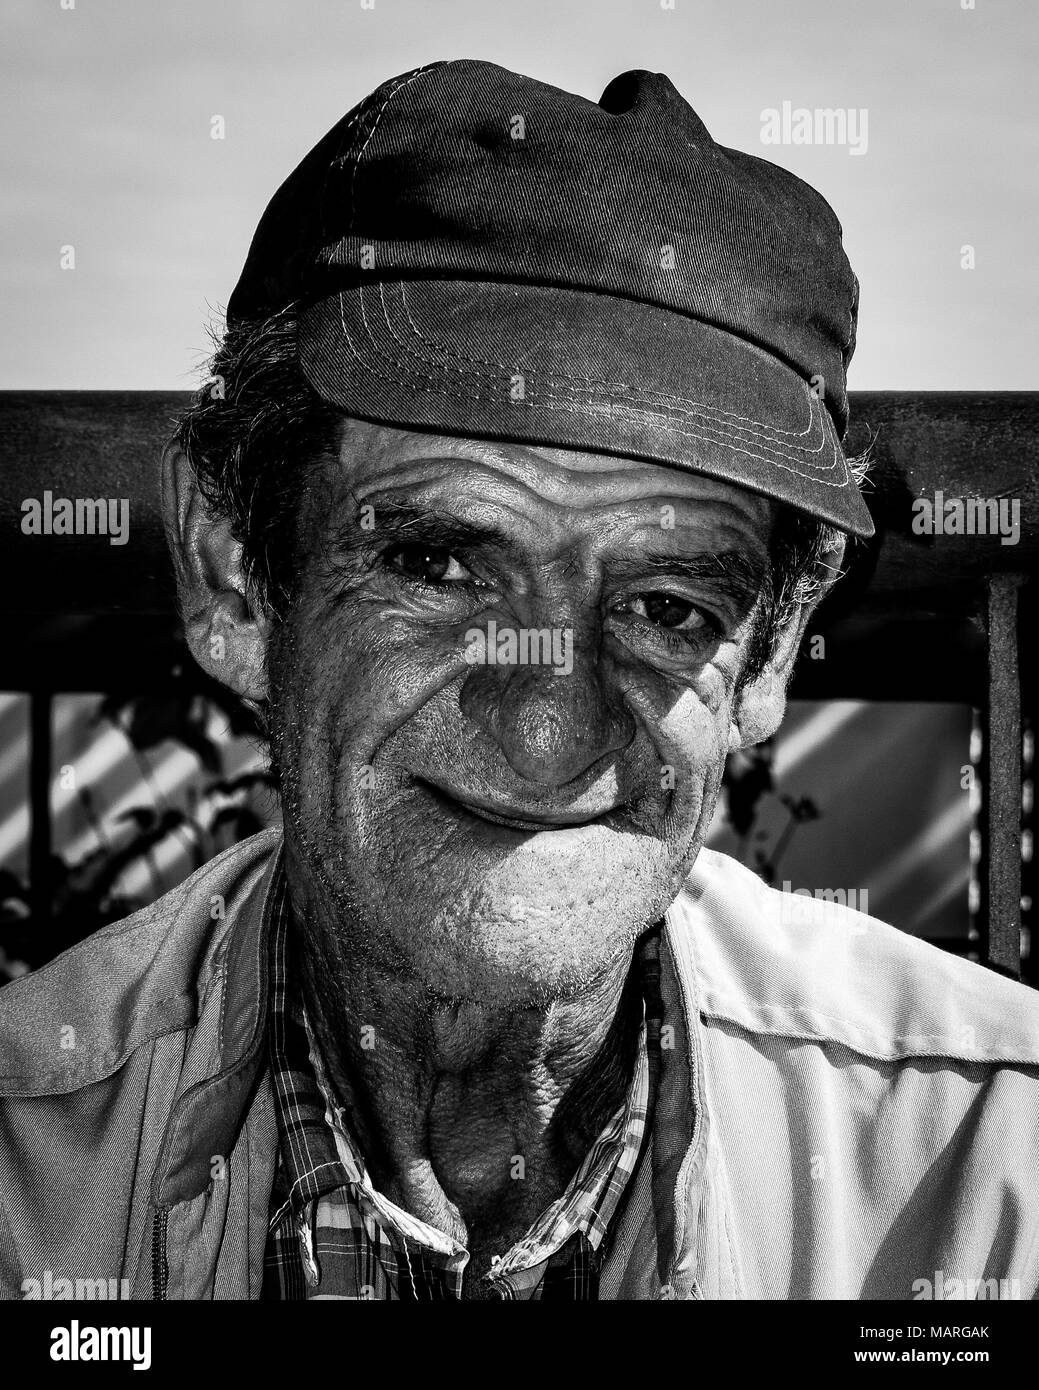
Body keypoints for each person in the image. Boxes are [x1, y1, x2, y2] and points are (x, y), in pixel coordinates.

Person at [1, 59, 1036, 1302]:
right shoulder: (23, 1171)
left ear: (766, 653)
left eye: (667, 607)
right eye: (437, 562)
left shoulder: (989, 1163)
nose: (549, 729)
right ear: (232, 572)